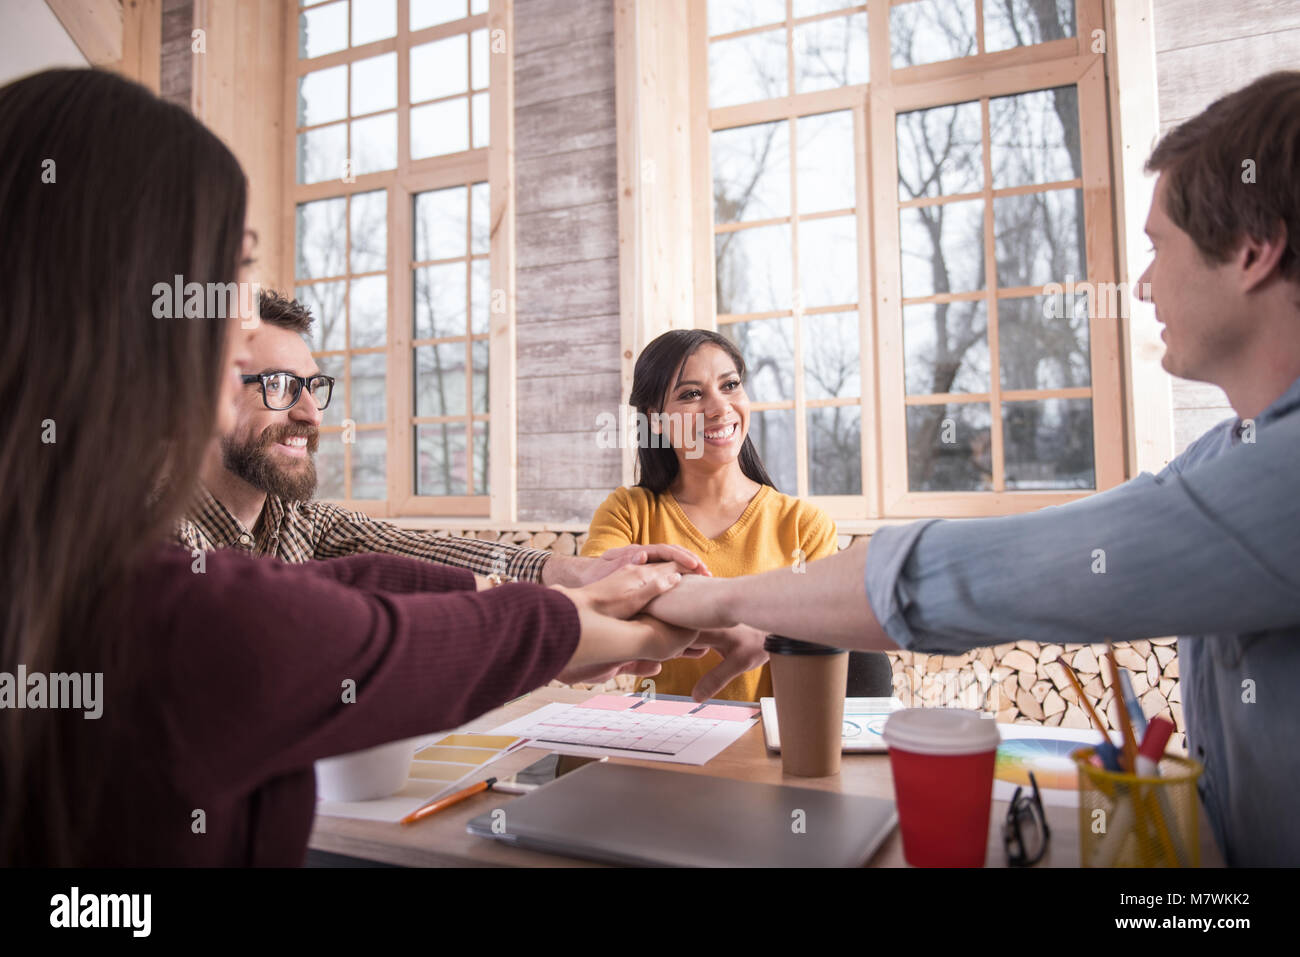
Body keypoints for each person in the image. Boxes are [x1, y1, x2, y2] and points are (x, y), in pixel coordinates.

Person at [0, 68, 697, 866]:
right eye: (230, 275)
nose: (240, 333)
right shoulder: (164, 600)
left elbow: (370, 577)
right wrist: (595, 619)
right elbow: (324, 630)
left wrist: (568, 584)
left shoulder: (115, 560)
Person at [646, 71, 1300, 866]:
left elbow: (998, 570)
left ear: (1253, 251)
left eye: (1159, 245)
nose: (1142, 281)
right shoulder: (1228, 455)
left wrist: (719, 596)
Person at [178, 289, 708, 587]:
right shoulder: (151, 538)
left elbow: (418, 550)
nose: (312, 413)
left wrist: (567, 569)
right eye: (277, 386)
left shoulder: (300, 524)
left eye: (313, 387)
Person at [581, 330, 838, 701]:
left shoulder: (803, 526)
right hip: (655, 739)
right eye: (691, 394)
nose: (720, 408)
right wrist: (738, 621)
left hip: (766, 745)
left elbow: (821, 644)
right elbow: (596, 608)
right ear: (654, 419)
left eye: (730, 385)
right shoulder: (628, 512)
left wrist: (655, 603)